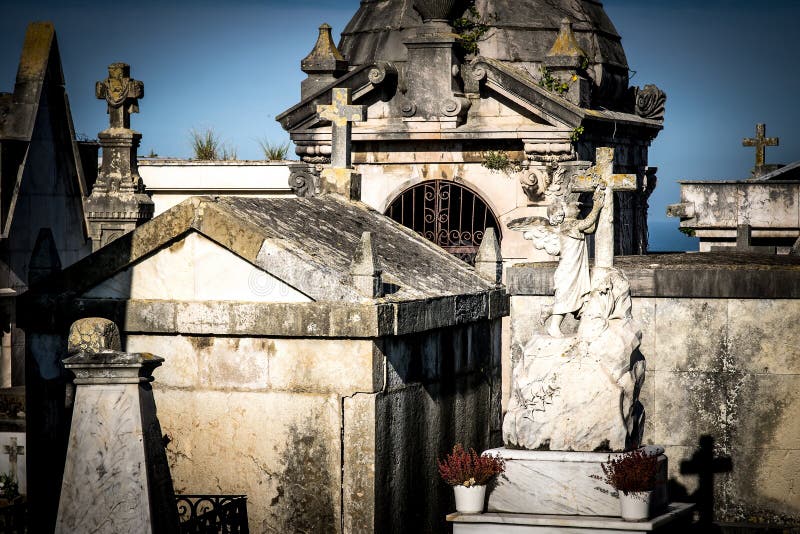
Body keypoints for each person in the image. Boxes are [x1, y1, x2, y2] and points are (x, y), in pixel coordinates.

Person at [547, 185, 605, 337]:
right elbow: (586, 224)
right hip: (568, 269)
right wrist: (597, 206)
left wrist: (596, 211)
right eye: (569, 205)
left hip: (574, 267)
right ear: (562, 212)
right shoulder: (567, 225)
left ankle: (547, 311)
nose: (576, 205)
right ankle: (553, 326)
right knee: (565, 297)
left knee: (571, 297)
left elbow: (590, 229)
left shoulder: (572, 224)